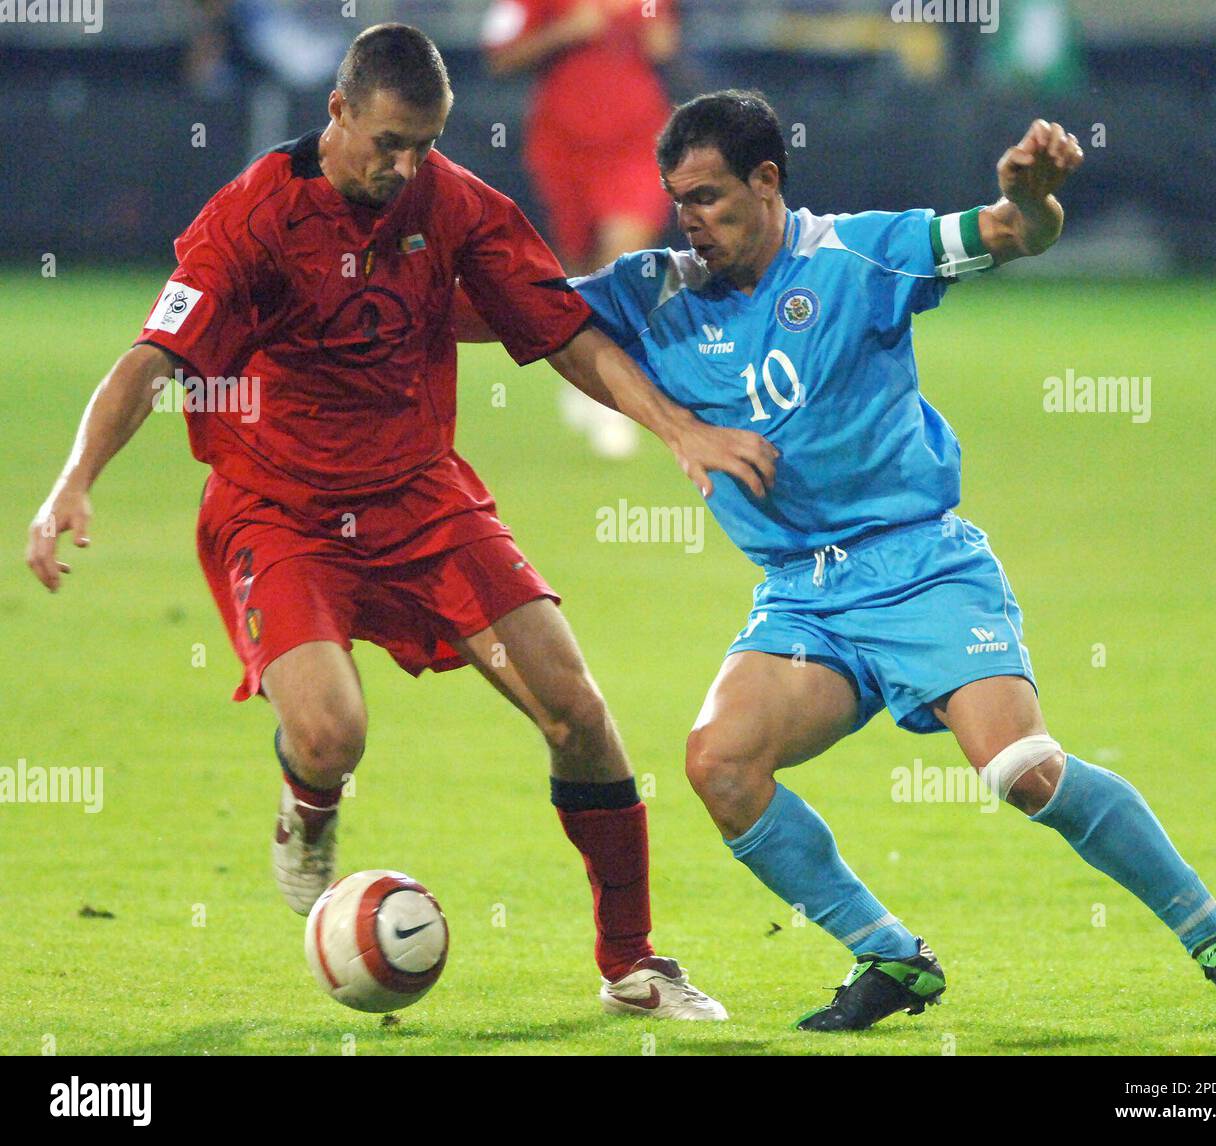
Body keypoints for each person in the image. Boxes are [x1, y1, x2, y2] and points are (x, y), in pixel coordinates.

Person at [456, 91, 1216, 1031]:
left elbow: (1013, 232)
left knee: (1021, 768)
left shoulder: (858, 253)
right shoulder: (656, 289)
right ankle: (890, 956)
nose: (691, 222)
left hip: (921, 567)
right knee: (721, 765)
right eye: (678, 201)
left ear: (768, 180)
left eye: (709, 198)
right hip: (803, 596)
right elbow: (516, 314)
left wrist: (1033, 198)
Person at [25, 29, 780, 1022]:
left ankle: (633, 965)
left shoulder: (453, 202)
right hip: (280, 509)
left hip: (421, 500)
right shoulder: (254, 215)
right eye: (388, 143)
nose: (405, 166)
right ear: (337, 111)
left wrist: (678, 428)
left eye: (424, 144)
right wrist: (73, 482)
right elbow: (151, 359)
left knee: (577, 713)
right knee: (330, 733)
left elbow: (564, 332)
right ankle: (309, 809)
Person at [482, 0, 680, 457]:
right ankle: (583, 373)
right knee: (580, 278)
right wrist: (565, 31)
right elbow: (500, 56)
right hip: (564, 144)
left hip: (636, 139)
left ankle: (612, 395)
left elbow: (664, 41)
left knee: (621, 259)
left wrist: (657, 34)